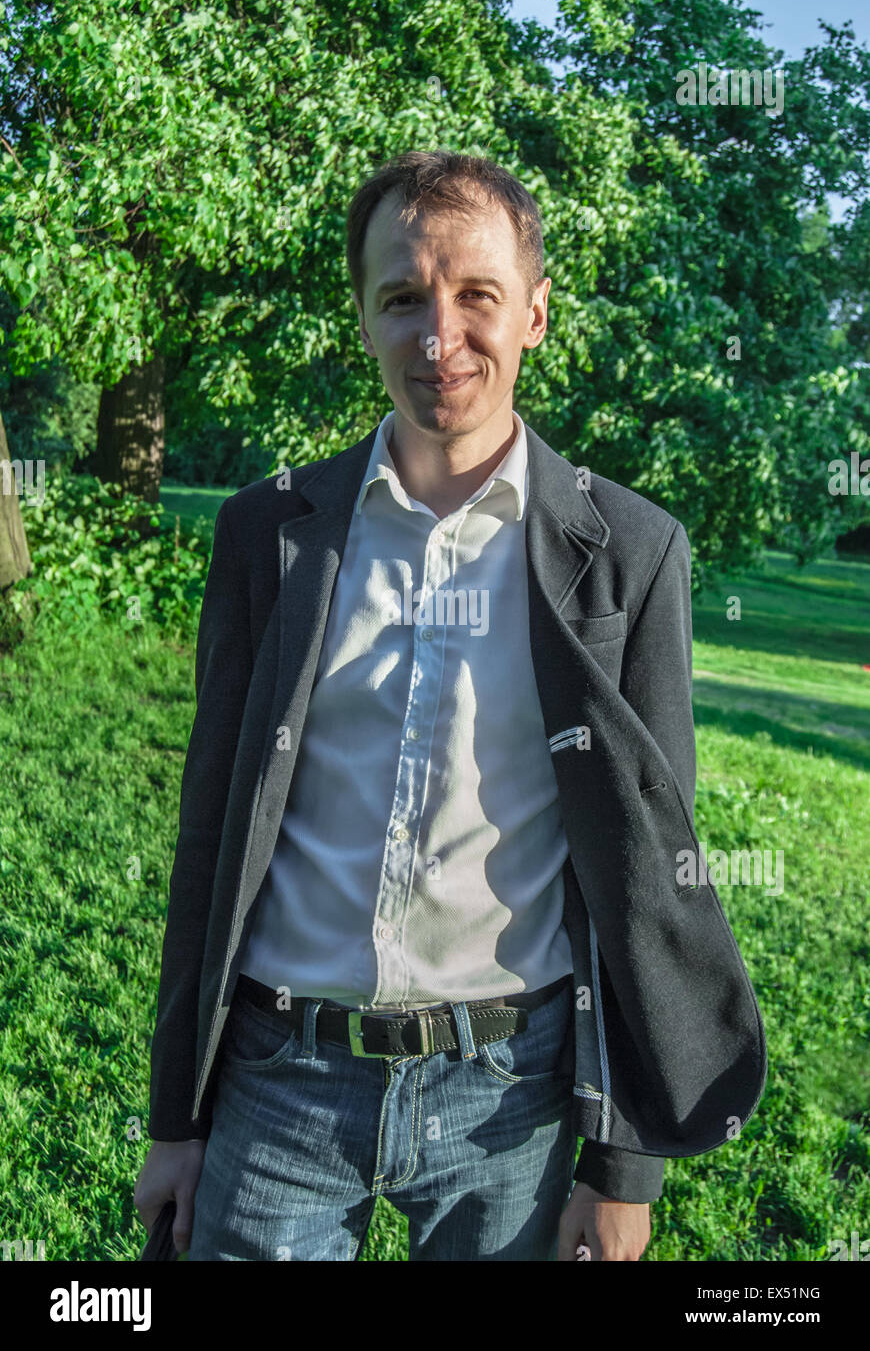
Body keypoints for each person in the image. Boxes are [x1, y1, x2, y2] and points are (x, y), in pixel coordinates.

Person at [134, 149, 766, 1261]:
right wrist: (176, 1119)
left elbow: (648, 868)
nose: (440, 338)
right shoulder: (265, 534)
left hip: (508, 1098)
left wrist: (622, 1167)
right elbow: (208, 841)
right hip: (279, 1081)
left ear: (534, 311)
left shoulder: (632, 552)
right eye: (402, 299)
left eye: (476, 295)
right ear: (364, 318)